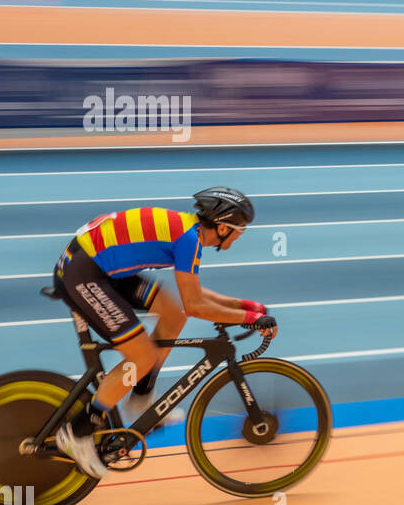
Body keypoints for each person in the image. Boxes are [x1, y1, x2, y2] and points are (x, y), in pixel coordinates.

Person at [51, 187, 277, 477]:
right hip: (84, 273)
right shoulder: (188, 240)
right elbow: (196, 305)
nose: (240, 235)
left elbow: (190, 295)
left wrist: (242, 306)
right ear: (222, 227)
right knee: (141, 357)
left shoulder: (188, 232)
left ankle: (141, 397)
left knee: (173, 313)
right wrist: (249, 318)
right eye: (240, 230)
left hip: (101, 268)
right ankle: (77, 433)